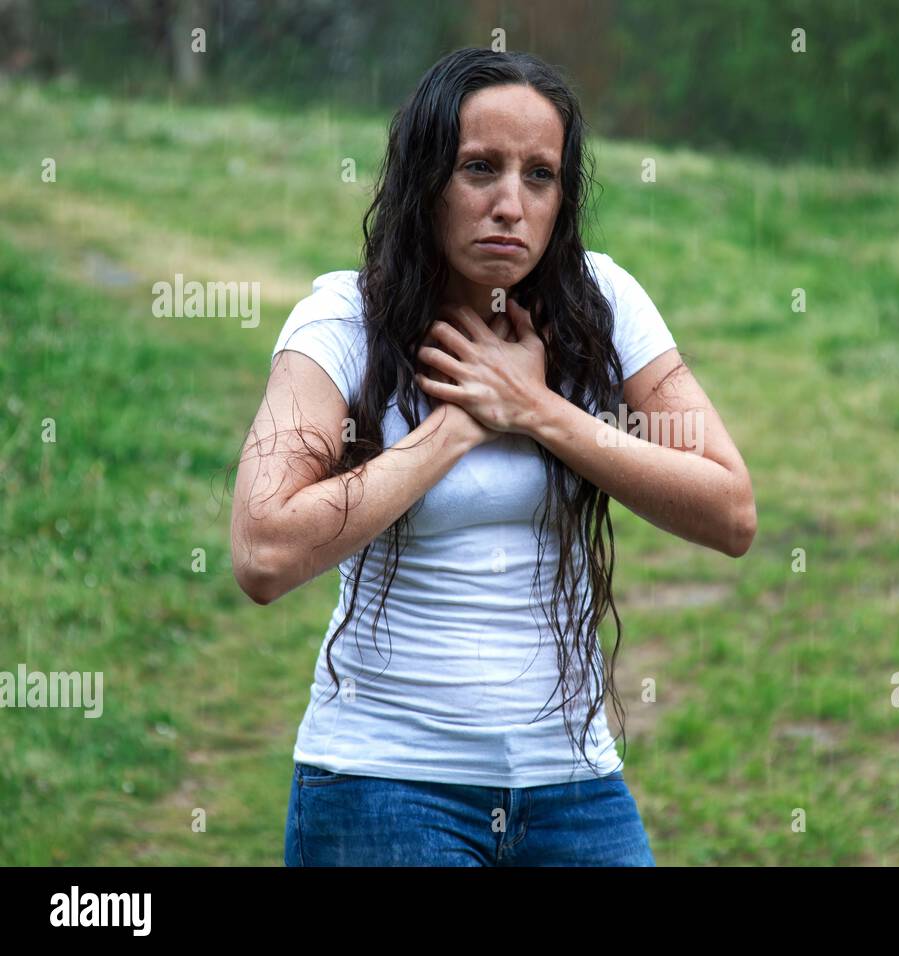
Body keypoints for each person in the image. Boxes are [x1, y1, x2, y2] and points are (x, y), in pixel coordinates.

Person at [229, 47, 756, 866]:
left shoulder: (603, 303)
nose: (510, 203)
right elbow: (263, 549)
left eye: (539, 175)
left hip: (573, 787)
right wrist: (456, 428)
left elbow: (730, 511)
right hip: (385, 787)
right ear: (426, 182)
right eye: (480, 168)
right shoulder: (341, 321)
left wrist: (539, 411)